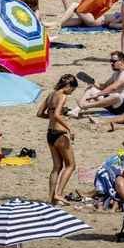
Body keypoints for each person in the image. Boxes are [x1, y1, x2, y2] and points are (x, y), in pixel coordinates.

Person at [36, 74, 77, 203]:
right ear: (68, 85)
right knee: (71, 165)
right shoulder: (62, 96)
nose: (71, 93)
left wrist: (54, 117)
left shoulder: (50, 95)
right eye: (72, 90)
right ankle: (58, 194)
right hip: (60, 134)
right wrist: (69, 128)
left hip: (50, 134)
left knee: (57, 167)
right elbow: (57, 115)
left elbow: (39, 113)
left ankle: (51, 198)